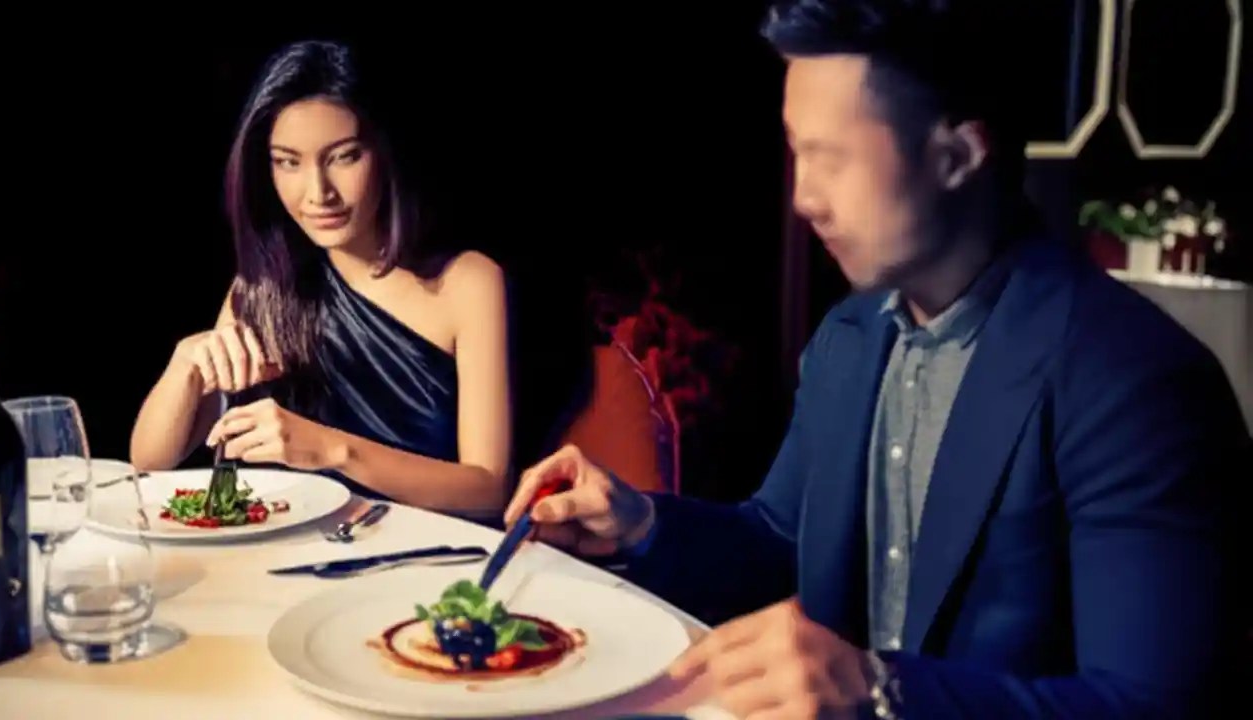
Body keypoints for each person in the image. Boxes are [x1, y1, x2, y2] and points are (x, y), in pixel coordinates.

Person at [502, 2, 1251, 718]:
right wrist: (639, 525)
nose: (803, 198)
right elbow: (780, 542)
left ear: (957, 156)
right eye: (798, 155)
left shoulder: (1134, 378)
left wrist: (883, 693)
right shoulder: (852, 335)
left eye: (830, 160)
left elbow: (1157, 704)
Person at [130, 41, 513, 515]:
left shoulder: (466, 283)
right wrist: (185, 364)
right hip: (293, 556)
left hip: (422, 558)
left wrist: (332, 450)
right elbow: (149, 462)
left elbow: (488, 489)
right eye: (288, 162)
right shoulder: (264, 287)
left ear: (384, 151)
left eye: (344, 157)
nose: (318, 193)